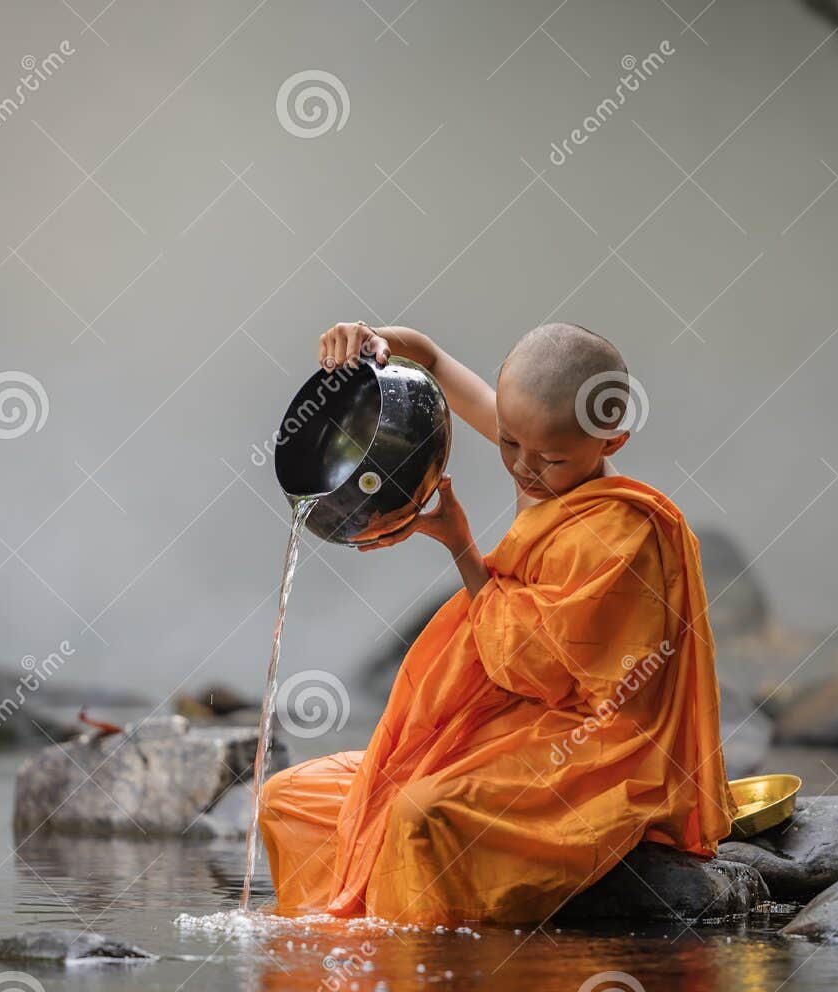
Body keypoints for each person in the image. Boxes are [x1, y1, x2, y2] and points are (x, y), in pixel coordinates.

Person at [258, 320, 732, 925]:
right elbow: (430, 358)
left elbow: (535, 668)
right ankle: (341, 970)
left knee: (418, 815)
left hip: (585, 751)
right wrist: (380, 342)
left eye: (550, 458)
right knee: (288, 800)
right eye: (508, 444)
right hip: (495, 732)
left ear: (611, 442)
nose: (524, 471)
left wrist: (461, 548)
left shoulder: (620, 531)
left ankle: (413, 987)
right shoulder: (540, 449)